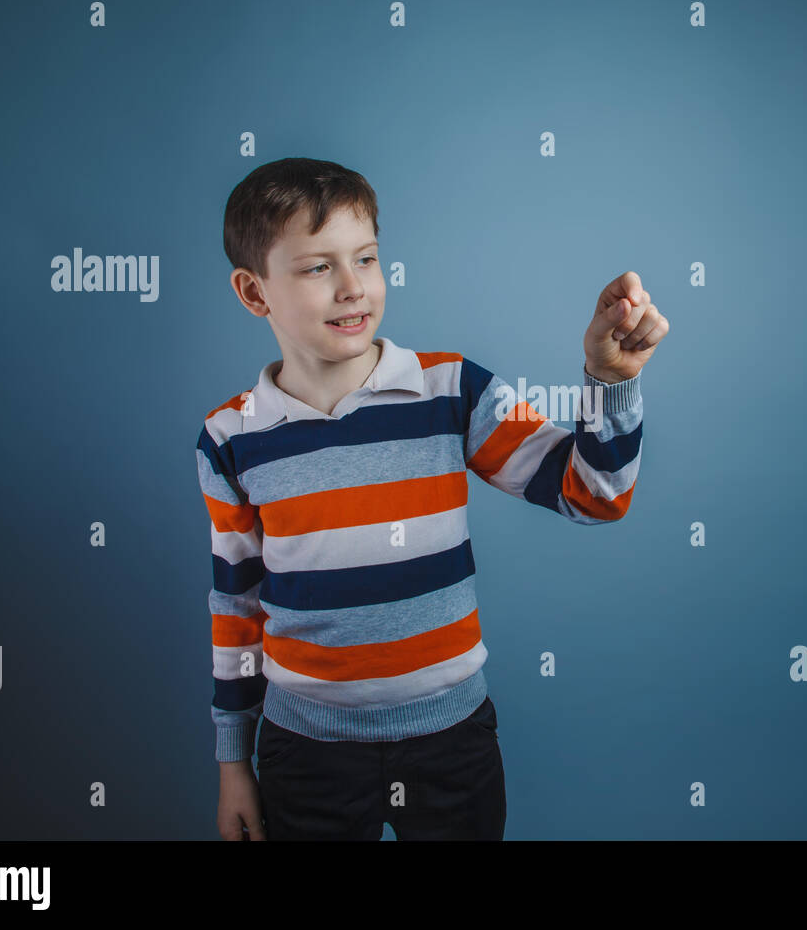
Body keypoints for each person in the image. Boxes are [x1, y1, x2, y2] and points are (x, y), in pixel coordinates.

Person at [194, 157, 669, 840]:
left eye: (365, 257)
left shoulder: (451, 391)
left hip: (452, 742)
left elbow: (595, 496)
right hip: (308, 753)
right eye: (317, 267)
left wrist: (608, 380)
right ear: (254, 291)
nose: (353, 287)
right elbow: (234, 608)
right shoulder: (229, 438)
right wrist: (233, 763)